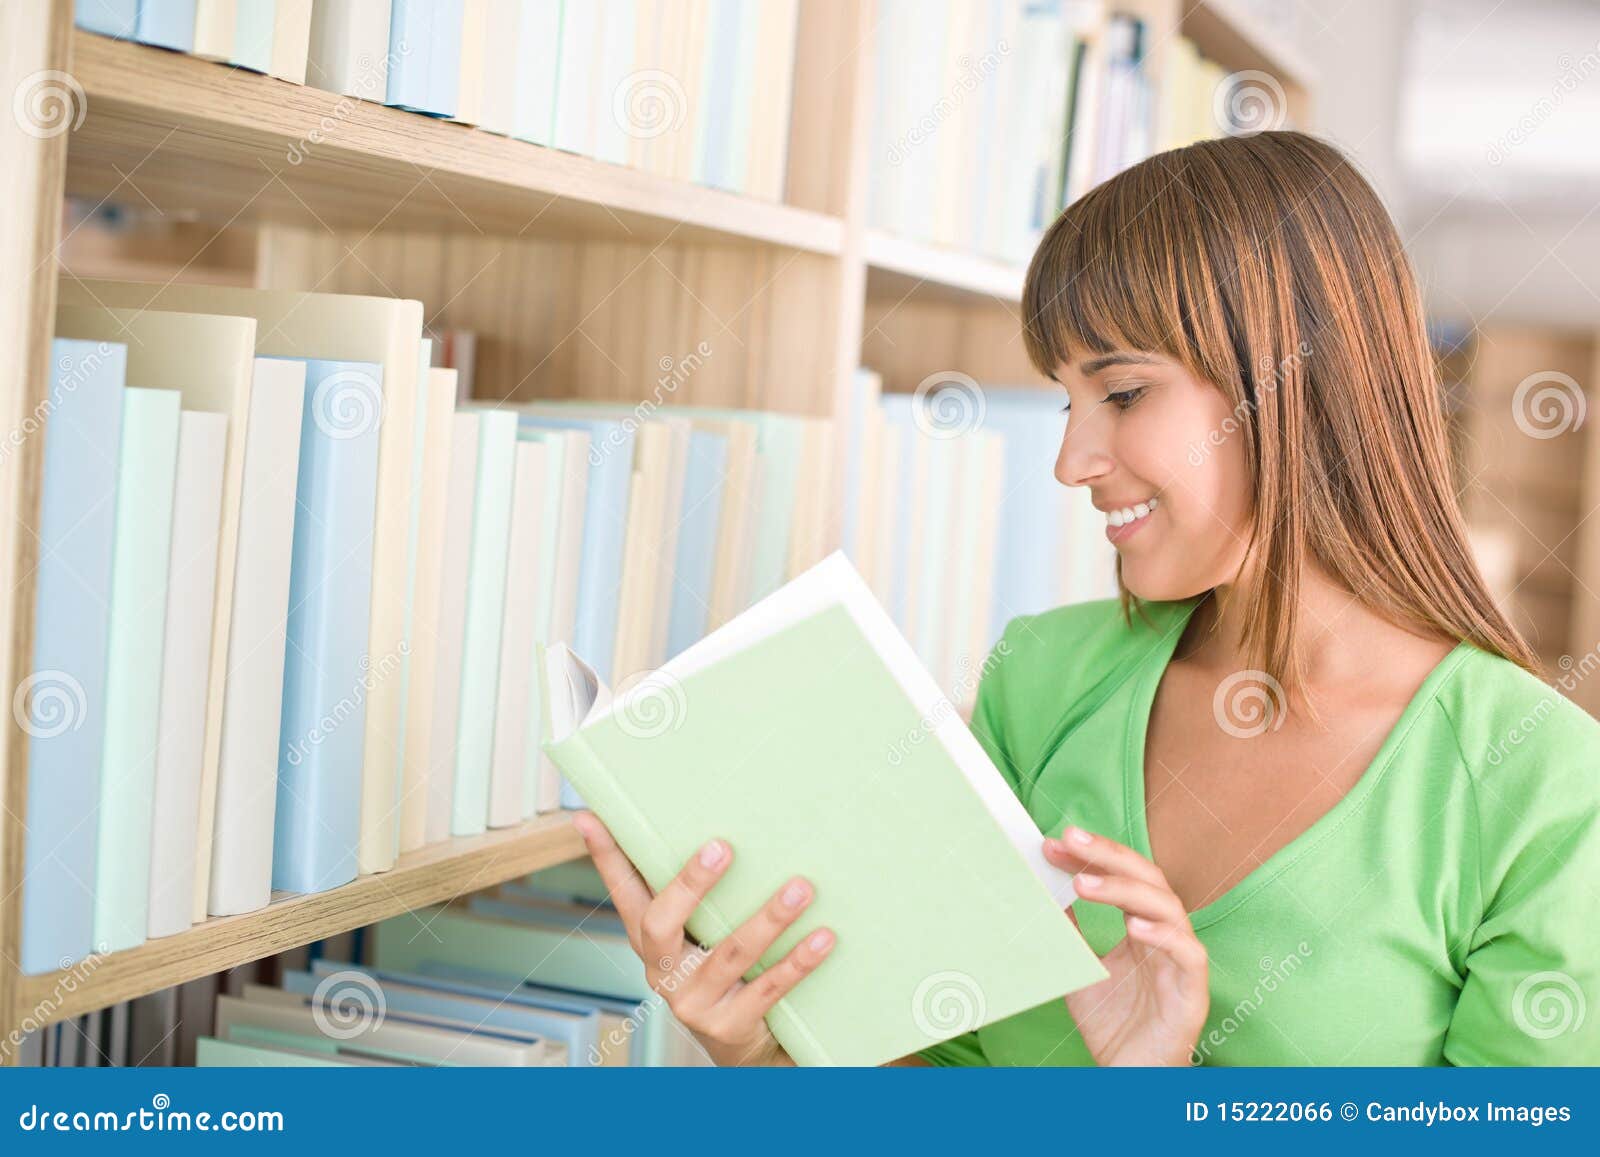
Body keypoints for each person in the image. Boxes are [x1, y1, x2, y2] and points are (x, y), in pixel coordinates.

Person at [573, 130, 1600, 1066]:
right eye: (1065, 402)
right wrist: (764, 1054)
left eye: (1119, 393)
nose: (1070, 460)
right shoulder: (1041, 681)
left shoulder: (1543, 786)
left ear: (1296, 380)